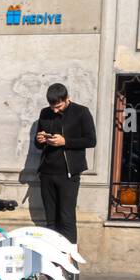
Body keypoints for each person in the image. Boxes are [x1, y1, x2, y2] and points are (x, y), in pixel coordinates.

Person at [34, 82, 96, 244]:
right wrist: (40, 139)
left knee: (66, 217)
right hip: (47, 172)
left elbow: (91, 140)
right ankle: (51, 259)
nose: (55, 110)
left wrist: (65, 142)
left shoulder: (81, 112)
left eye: (59, 106)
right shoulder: (45, 113)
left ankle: (69, 261)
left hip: (69, 174)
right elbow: (38, 145)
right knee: (50, 219)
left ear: (67, 98)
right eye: (52, 106)